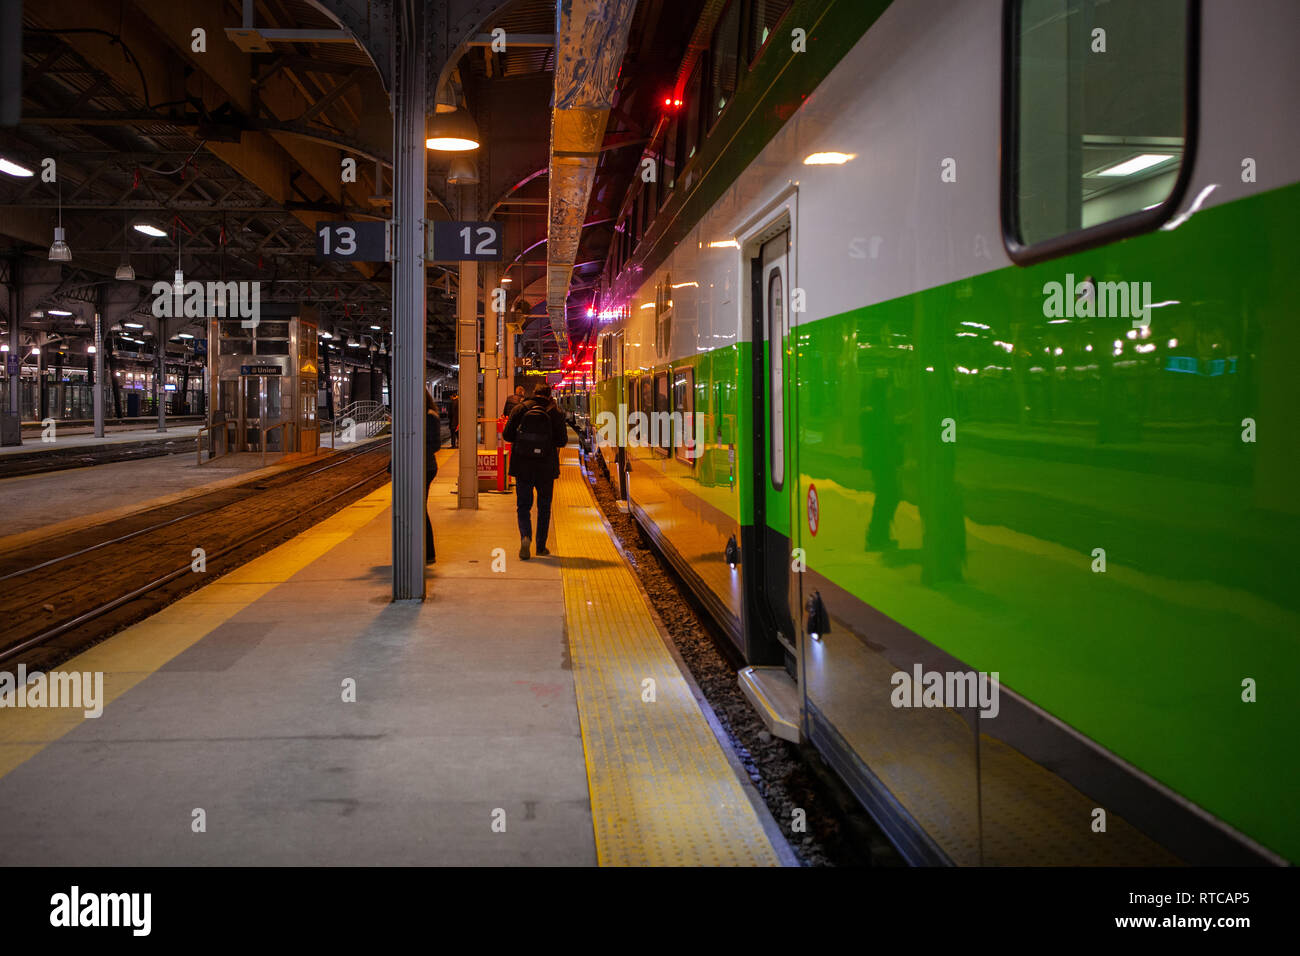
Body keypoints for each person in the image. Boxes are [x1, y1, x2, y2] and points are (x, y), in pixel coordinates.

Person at [502, 382, 568, 560]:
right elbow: (562, 441)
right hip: (546, 468)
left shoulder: (520, 409)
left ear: (533, 392)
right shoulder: (556, 413)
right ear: (549, 395)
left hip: (522, 466)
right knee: (544, 507)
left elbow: (507, 435)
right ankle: (541, 547)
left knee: (523, 506)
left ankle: (525, 537)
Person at [424, 385, 442, 564]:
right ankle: (426, 551)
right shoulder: (430, 415)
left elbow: (435, 445)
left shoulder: (428, 416)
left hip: (424, 467)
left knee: (419, 509)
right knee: (419, 508)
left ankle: (429, 552)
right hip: (425, 466)